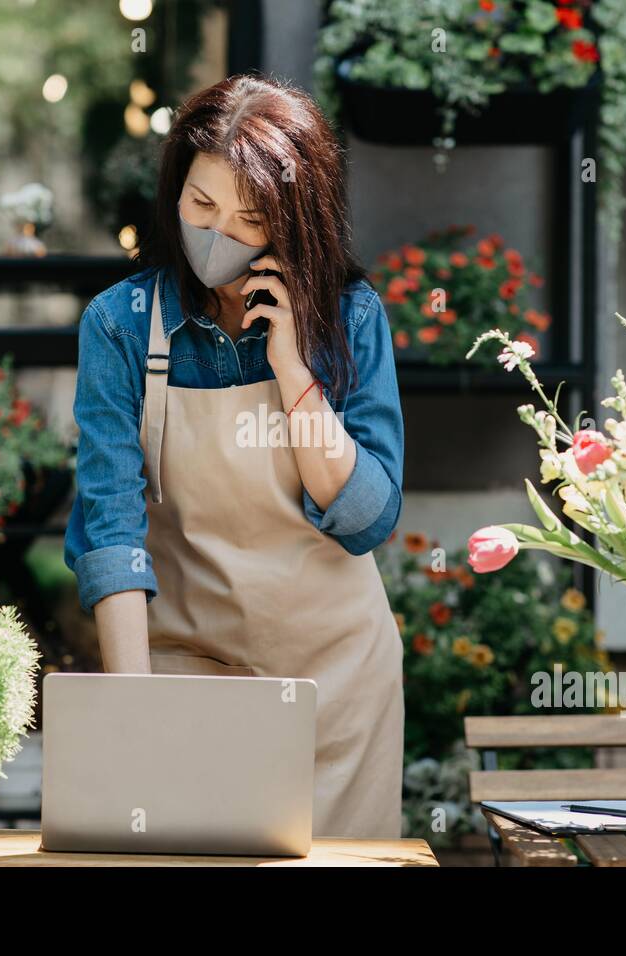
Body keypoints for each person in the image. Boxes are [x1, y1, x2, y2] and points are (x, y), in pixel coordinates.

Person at [65, 74, 405, 839]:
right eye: (201, 205)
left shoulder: (349, 319)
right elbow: (111, 530)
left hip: (339, 680)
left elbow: (365, 518)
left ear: (295, 222)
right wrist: (131, 708)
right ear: (174, 193)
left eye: (250, 219)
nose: (216, 234)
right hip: (190, 674)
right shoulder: (120, 327)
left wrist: (293, 369)